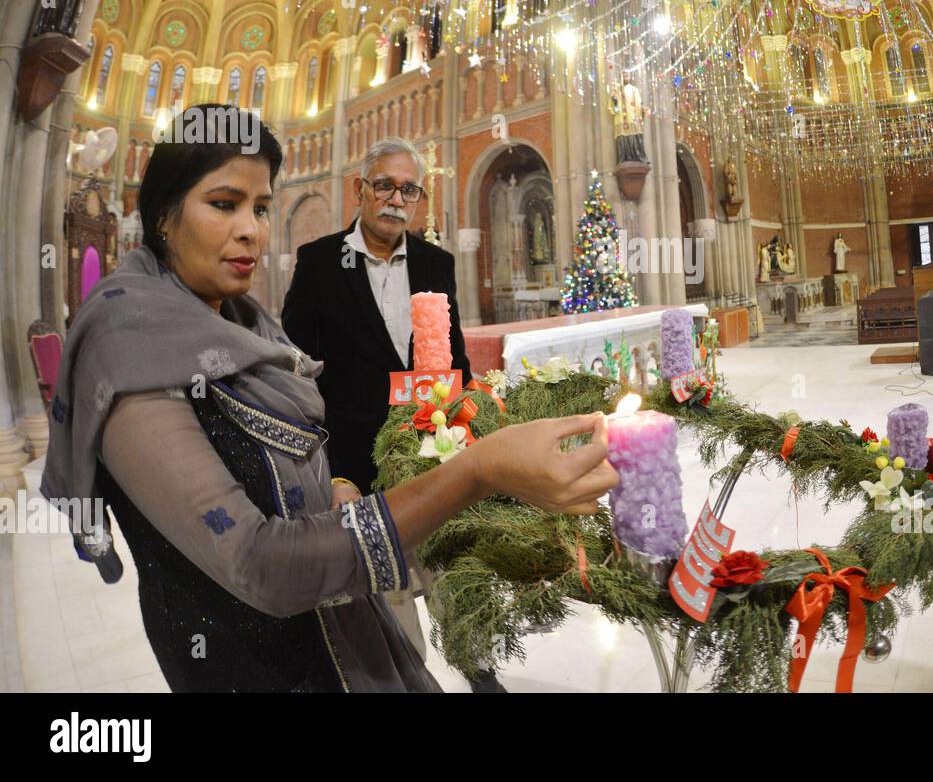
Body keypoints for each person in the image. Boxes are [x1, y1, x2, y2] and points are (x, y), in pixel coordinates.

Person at [40, 106, 619, 692]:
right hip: (257, 665)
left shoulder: (248, 324)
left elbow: (442, 363)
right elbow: (260, 562)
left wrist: (459, 434)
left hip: (379, 523)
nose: (251, 230)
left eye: (261, 208)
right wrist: (478, 470)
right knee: (399, 600)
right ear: (164, 214)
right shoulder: (134, 350)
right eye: (224, 204)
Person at [280, 138, 491, 686]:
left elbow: (456, 358)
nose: (397, 198)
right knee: (390, 581)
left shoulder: (434, 263)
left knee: (453, 568)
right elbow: (296, 373)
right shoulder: (321, 262)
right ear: (360, 189)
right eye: (385, 185)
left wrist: (470, 430)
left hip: (432, 448)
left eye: (409, 189)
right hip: (357, 465)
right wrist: (333, 470)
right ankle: (410, 678)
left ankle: (480, 668)